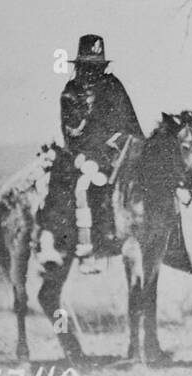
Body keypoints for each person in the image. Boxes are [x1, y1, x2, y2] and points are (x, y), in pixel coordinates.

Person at [36, 34, 144, 273]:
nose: (91, 72)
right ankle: (81, 248)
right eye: (87, 66)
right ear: (79, 66)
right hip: (83, 154)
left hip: (115, 153)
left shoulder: (113, 86)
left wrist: (125, 144)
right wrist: (86, 155)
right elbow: (72, 130)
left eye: (96, 66)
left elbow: (129, 121)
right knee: (78, 184)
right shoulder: (71, 92)